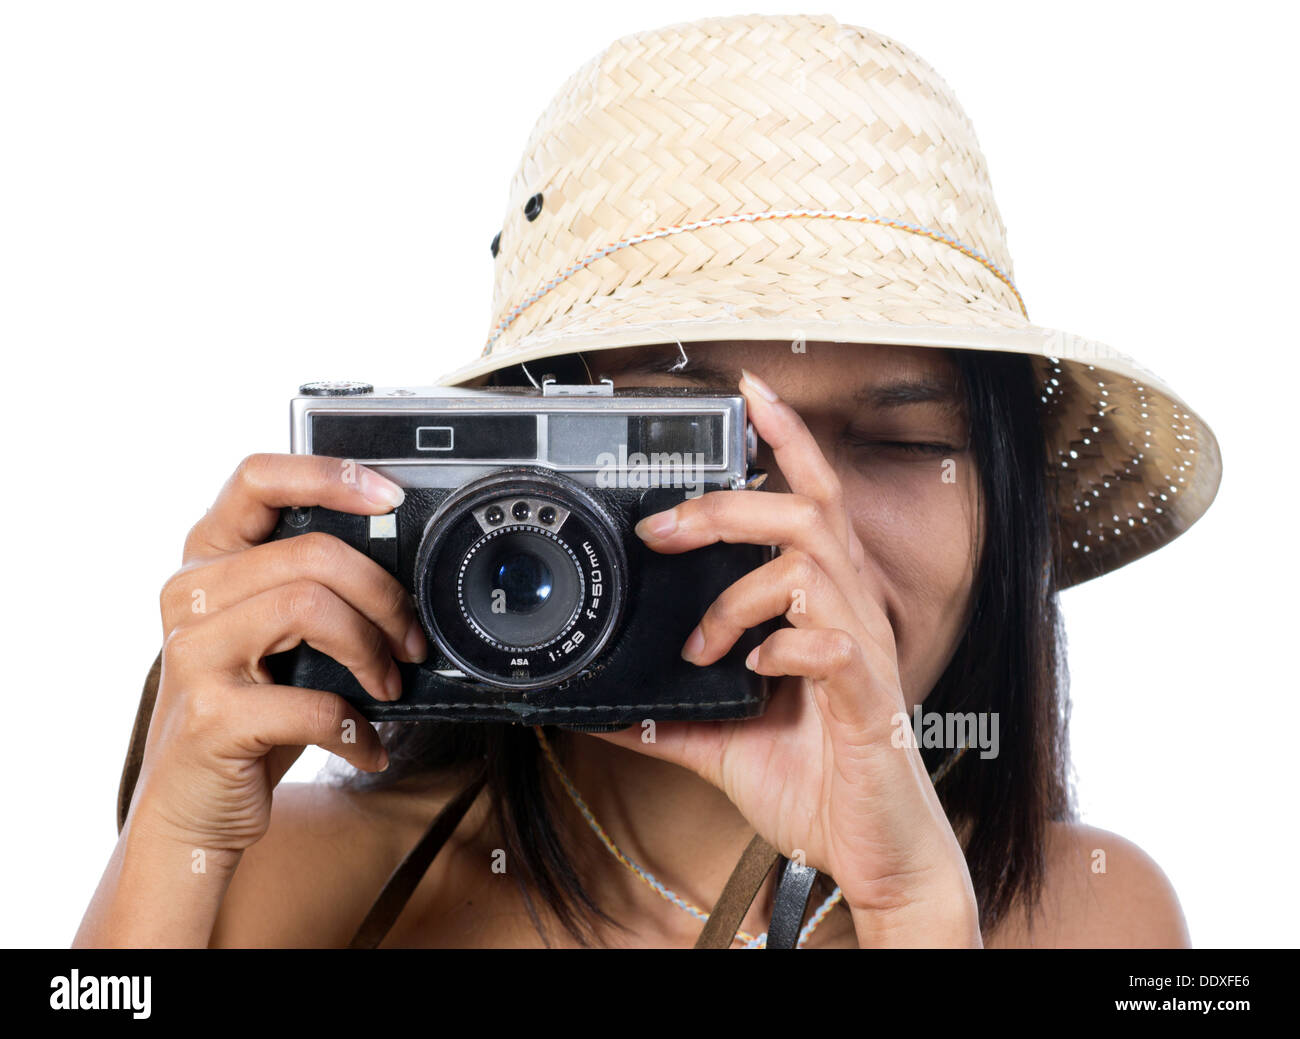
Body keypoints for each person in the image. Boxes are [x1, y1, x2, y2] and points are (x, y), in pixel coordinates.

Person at [75, 14, 1220, 949]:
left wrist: (907, 904)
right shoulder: (288, 870)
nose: (800, 516)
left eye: (896, 443)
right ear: (511, 468)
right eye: (689, 433)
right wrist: (167, 855)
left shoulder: (1094, 914)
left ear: (1002, 503)